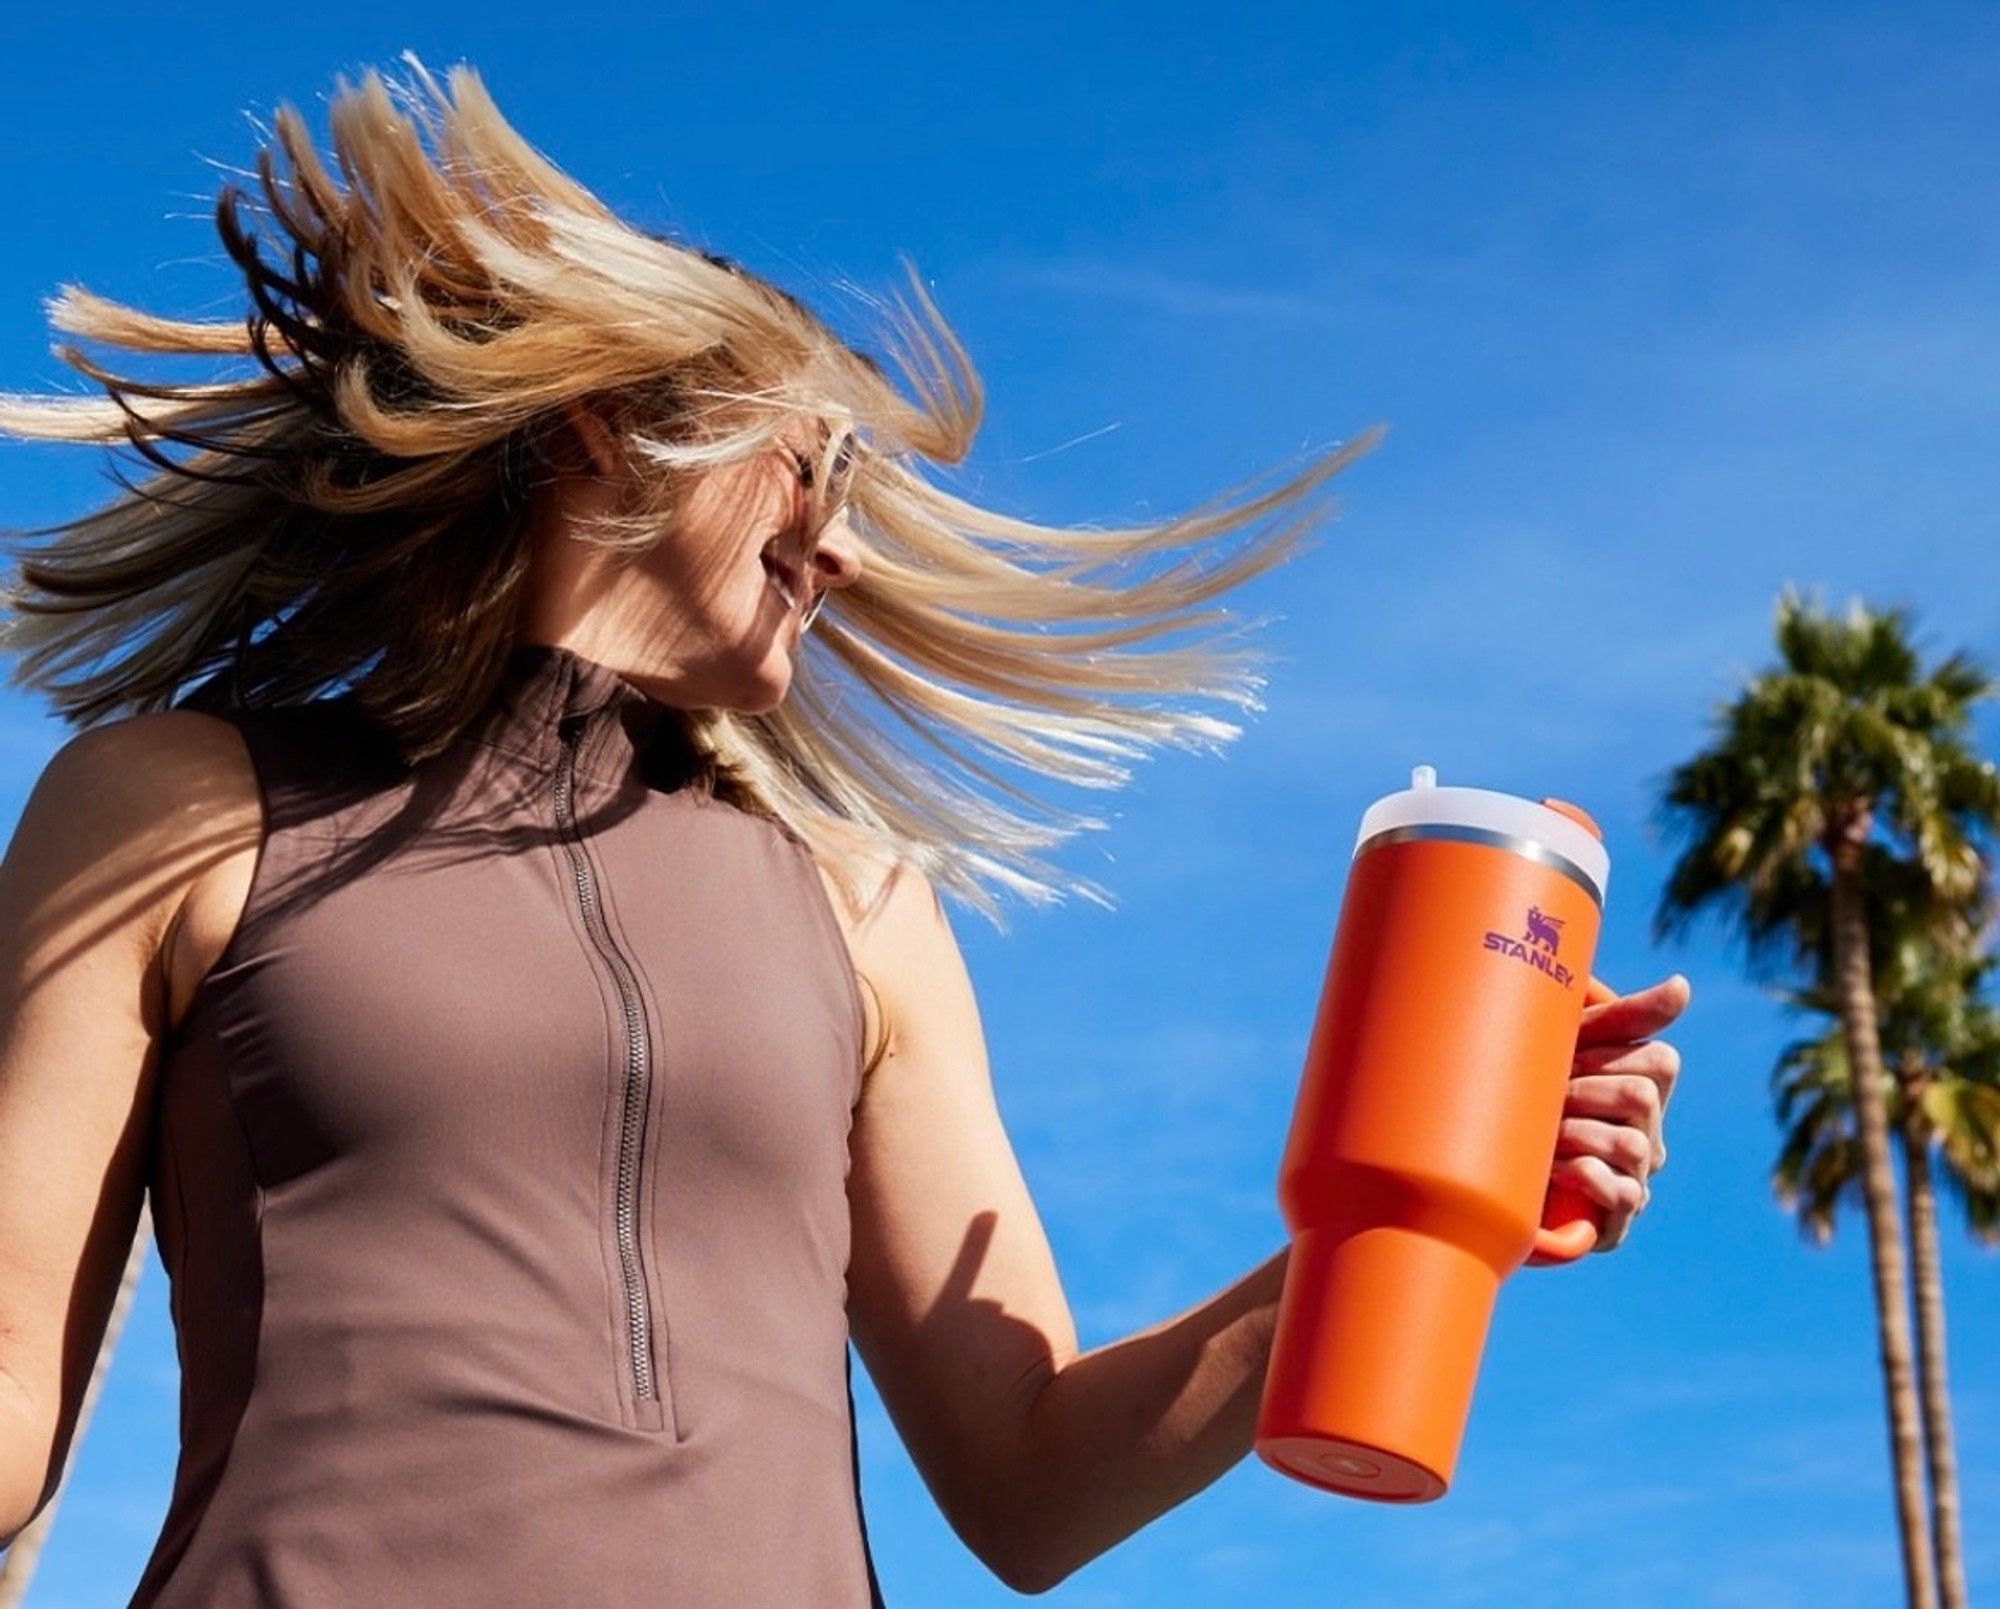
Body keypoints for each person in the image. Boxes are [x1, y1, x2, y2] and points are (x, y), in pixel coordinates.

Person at [0, 56, 1687, 1603]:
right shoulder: (194, 801)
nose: (849, 557)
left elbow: (1028, 1473)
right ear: (608, 432)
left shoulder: (858, 904)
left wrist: (1421, 1211)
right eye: (818, 475)